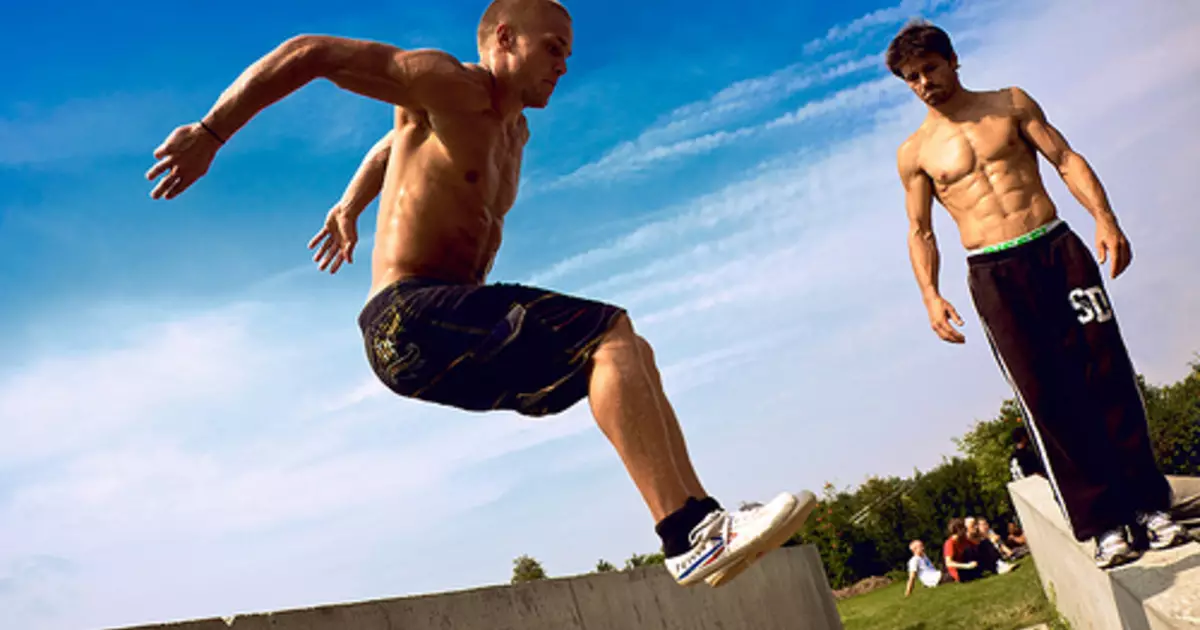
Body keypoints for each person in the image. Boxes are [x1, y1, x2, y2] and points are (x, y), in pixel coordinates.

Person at [143, 0, 815, 589]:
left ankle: (705, 522)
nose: (564, 65)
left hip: (449, 331)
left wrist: (349, 205)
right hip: (407, 316)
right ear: (502, 39)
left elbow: (391, 144)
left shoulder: (510, 130)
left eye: (569, 54)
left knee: (629, 349)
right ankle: (685, 533)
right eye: (552, 48)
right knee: (609, 332)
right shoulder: (446, 83)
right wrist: (211, 133)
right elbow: (311, 53)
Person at [886, 19, 1187, 569]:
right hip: (994, 273)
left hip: (1056, 250)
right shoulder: (915, 152)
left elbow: (1064, 158)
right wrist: (930, 294)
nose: (923, 83)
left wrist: (1105, 218)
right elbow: (920, 230)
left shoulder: (1009, 103)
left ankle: (1149, 507)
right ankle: (1103, 525)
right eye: (911, 78)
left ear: (952, 59)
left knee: (1107, 372)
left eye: (929, 68)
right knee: (1045, 396)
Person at [942, 518, 981, 582]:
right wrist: (967, 566)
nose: (965, 530)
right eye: (963, 528)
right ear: (958, 530)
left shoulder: (963, 540)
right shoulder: (950, 543)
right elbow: (948, 563)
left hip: (966, 566)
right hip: (958, 571)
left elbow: (976, 546)